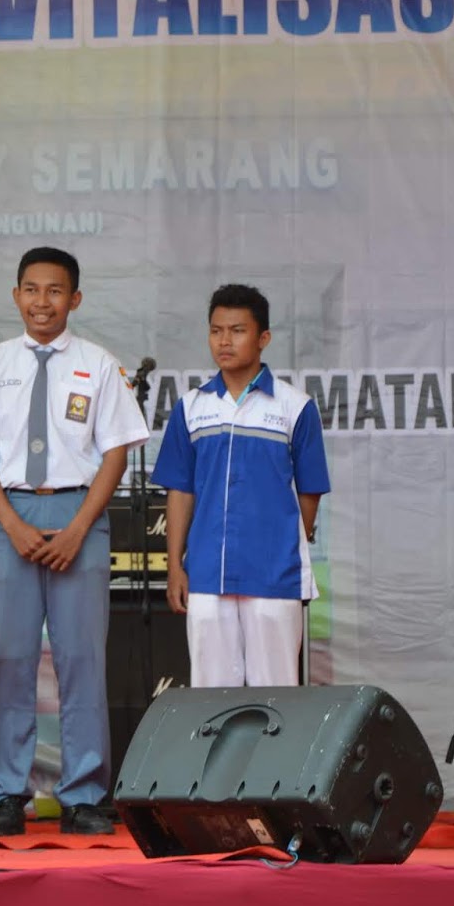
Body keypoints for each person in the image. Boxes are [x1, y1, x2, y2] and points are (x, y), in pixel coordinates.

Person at [0, 246, 149, 837]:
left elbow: (114, 452)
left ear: (75, 299)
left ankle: (84, 794)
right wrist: (10, 523)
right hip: (11, 517)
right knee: (7, 661)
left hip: (77, 515)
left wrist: (81, 527)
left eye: (55, 291)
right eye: (31, 290)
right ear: (15, 296)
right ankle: (6, 792)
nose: (42, 301)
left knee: (81, 661)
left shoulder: (98, 364)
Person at [151, 285, 330, 688]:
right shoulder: (192, 407)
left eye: (237, 330)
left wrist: (282, 545)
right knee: (210, 696)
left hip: (274, 574)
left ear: (263, 338)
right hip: (207, 572)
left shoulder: (294, 406)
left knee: (276, 696)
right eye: (216, 331)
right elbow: (179, 491)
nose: (224, 341)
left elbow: (309, 492)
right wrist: (175, 567)